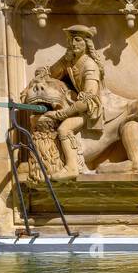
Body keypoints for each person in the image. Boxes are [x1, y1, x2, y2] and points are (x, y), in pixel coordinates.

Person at [34, 24, 105, 175]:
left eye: (77, 40)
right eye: (71, 40)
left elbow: (89, 99)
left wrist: (61, 114)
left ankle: (72, 167)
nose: (73, 44)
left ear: (86, 43)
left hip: (91, 110)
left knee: (64, 128)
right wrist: (43, 73)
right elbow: (52, 73)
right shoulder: (69, 60)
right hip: (78, 105)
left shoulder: (90, 66)